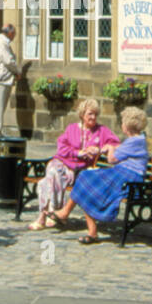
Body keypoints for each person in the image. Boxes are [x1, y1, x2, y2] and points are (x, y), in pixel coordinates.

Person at [53, 106, 149, 244]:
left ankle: (70, 216)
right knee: (85, 178)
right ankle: (80, 223)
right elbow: (121, 150)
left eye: (122, 122)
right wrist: (107, 148)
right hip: (124, 174)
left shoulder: (134, 142)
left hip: (128, 178)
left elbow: (112, 159)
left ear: (126, 126)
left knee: (86, 180)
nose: (121, 125)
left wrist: (110, 148)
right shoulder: (137, 140)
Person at [27, 98, 119, 231]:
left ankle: (45, 217)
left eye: (95, 114)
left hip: (79, 171)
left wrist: (101, 149)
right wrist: (79, 153)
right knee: (51, 174)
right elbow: (61, 148)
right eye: (90, 114)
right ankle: (53, 213)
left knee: (46, 182)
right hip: (61, 163)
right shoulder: (72, 129)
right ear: (82, 115)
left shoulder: (102, 130)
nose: (93, 117)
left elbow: (115, 144)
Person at [0, 23, 20, 138]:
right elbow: (8, 60)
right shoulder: (1, 43)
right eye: (14, 33)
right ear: (9, 33)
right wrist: (17, 71)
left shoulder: (3, 42)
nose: (14, 36)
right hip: (0, 78)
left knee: (0, 106)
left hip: (4, 78)